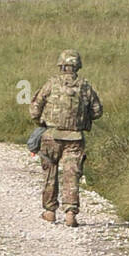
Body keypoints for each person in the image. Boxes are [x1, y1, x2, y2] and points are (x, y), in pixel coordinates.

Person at [28, 49, 103, 226]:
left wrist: (43, 121)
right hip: (75, 139)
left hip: (50, 137)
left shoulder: (50, 84)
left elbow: (34, 110)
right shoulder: (84, 86)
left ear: (61, 65)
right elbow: (98, 111)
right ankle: (70, 213)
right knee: (72, 175)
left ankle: (49, 211)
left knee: (50, 173)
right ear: (77, 65)